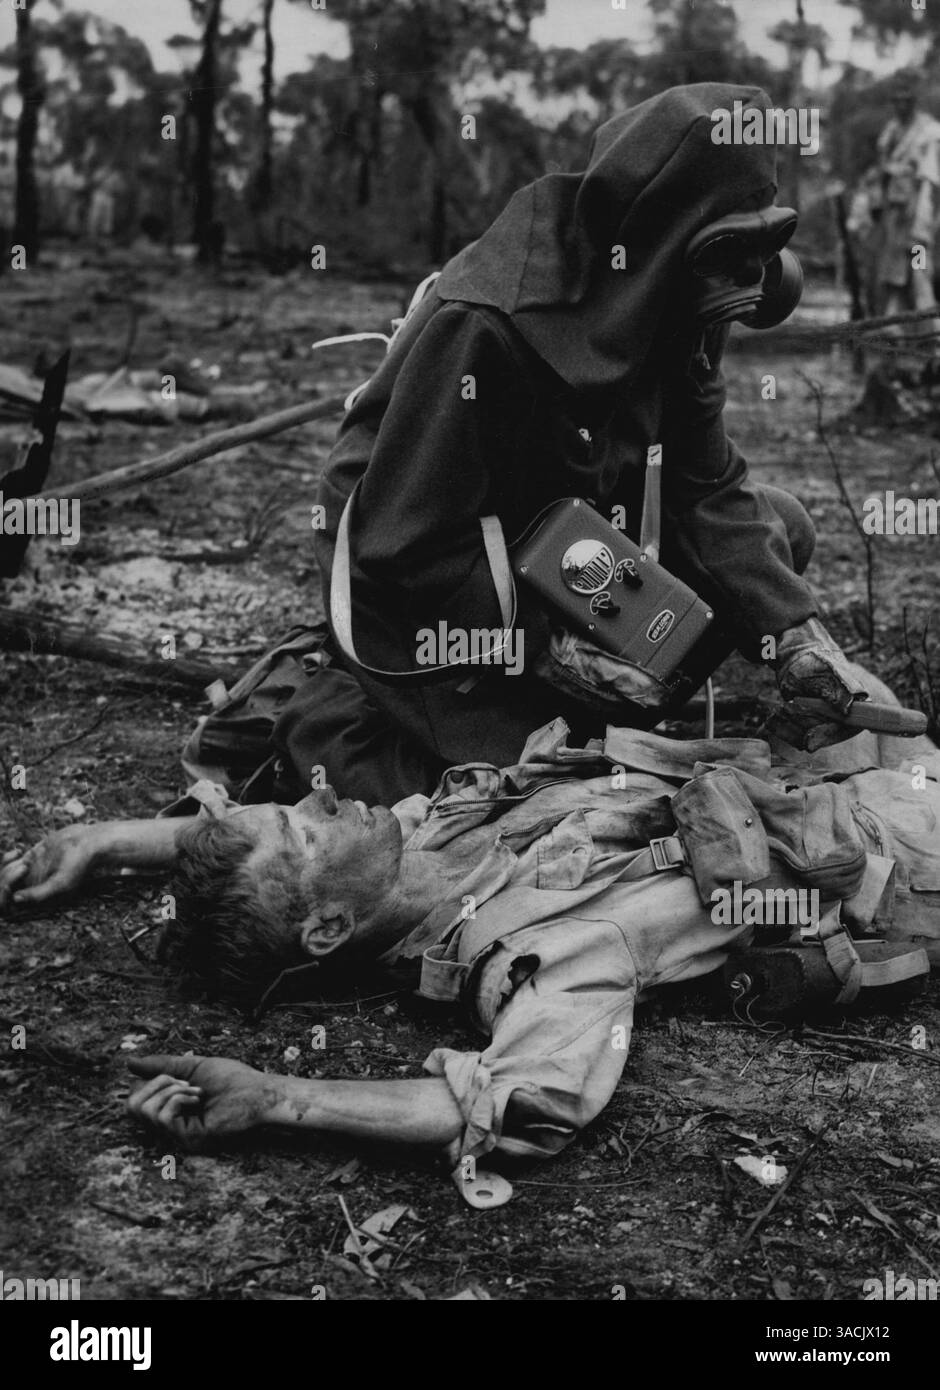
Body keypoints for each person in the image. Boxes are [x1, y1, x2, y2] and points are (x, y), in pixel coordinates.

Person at [3, 670, 937, 1193]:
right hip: (902, 846)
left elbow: (257, 846)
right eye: (306, 825)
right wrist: (281, 1098)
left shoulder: (420, 841)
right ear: (329, 928)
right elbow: (519, 1098)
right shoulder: (538, 952)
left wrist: (106, 838)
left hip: (835, 758)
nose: (321, 792)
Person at [232, 81, 868, 810]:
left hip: (561, 539)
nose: (752, 278)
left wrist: (797, 633)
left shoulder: (683, 289)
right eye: (732, 249)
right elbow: (399, 543)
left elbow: (705, 482)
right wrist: (547, 649)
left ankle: (605, 708)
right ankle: (336, 711)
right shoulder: (488, 323)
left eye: (766, 241)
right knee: (505, 796)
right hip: (431, 566)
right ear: (663, 238)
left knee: (776, 531)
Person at [865, 69, 940, 373]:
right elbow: (881, 176)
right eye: (896, 99)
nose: (900, 104)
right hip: (894, 220)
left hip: (918, 219)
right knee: (893, 280)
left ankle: (935, 342)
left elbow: (929, 183)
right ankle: (894, 341)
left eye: (905, 99)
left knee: (920, 278)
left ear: (914, 100)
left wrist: (921, 226)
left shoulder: (928, 133)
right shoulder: (892, 131)